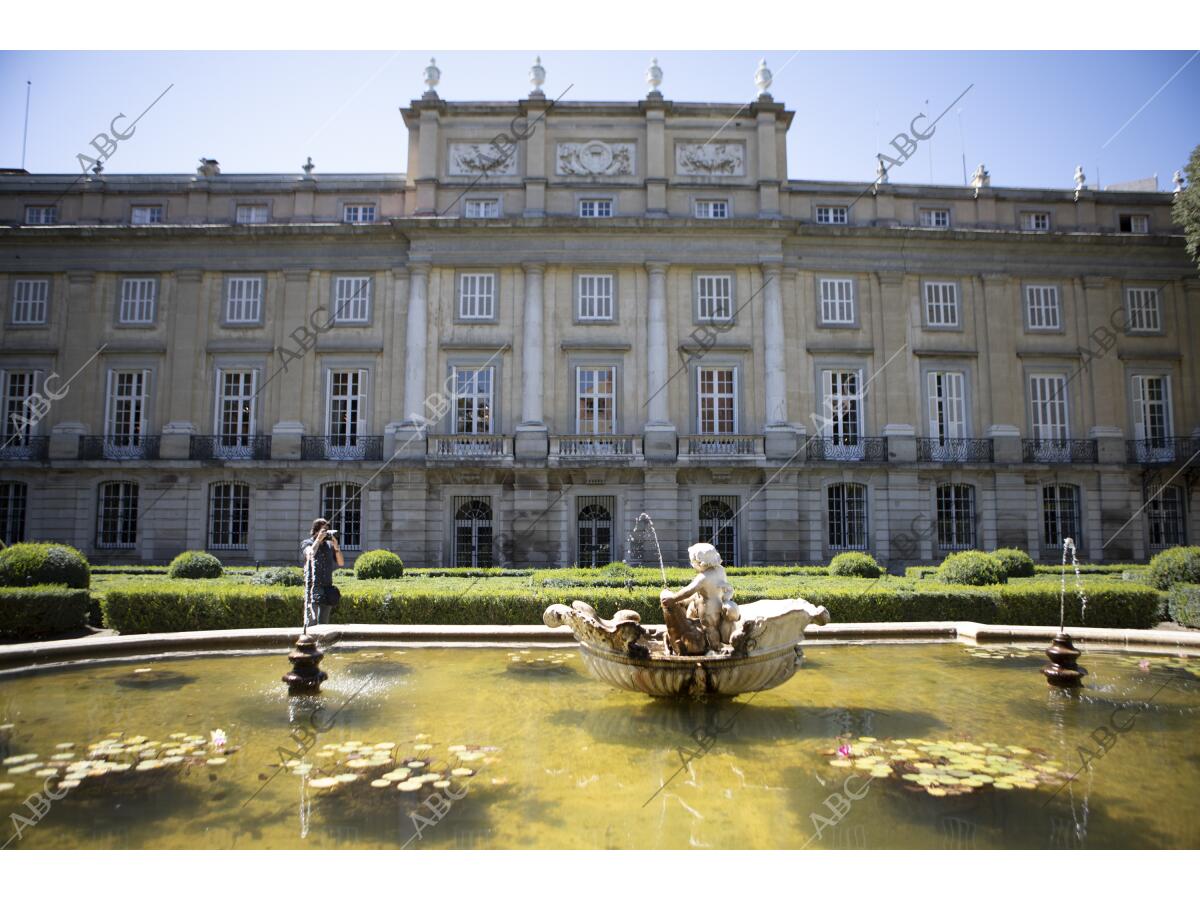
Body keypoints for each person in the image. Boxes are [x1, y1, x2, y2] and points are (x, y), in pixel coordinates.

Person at [301, 517, 344, 626]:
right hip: (313, 587)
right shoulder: (307, 543)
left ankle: (322, 643)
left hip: (327, 588)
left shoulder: (329, 545)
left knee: (323, 623)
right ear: (315, 531)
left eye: (327, 531)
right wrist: (318, 540)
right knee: (311, 622)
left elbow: (341, 563)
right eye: (323, 531)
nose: (326, 534)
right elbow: (309, 554)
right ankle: (310, 641)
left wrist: (336, 547)